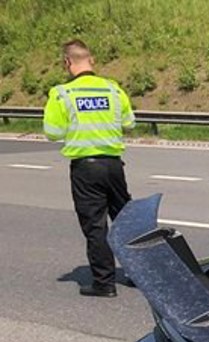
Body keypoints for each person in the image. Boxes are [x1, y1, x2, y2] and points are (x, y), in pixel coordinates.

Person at [44, 39, 135, 297]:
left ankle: (104, 284)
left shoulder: (62, 93)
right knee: (126, 222)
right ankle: (142, 275)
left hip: (85, 168)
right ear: (91, 60)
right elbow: (129, 123)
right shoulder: (113, 89)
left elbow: (52, 132)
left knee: (95, 226)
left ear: (67, 63)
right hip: (114, 166)